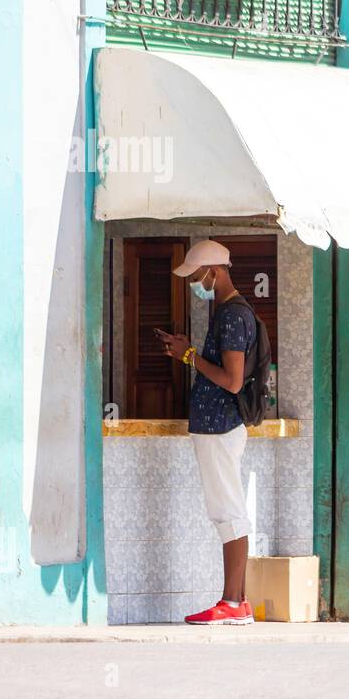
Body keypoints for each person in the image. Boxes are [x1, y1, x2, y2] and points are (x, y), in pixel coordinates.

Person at [156, 240, 258, 625]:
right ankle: (239, 601)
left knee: (228, 512)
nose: (195, 284)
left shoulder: (232, 316)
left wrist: (188, 356)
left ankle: (231, 604)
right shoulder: (230, 313)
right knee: (227, 510)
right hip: (216, 427)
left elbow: (232, 381)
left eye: (197, 277)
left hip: (219, 427)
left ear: (214, 272)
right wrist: (190, 352)